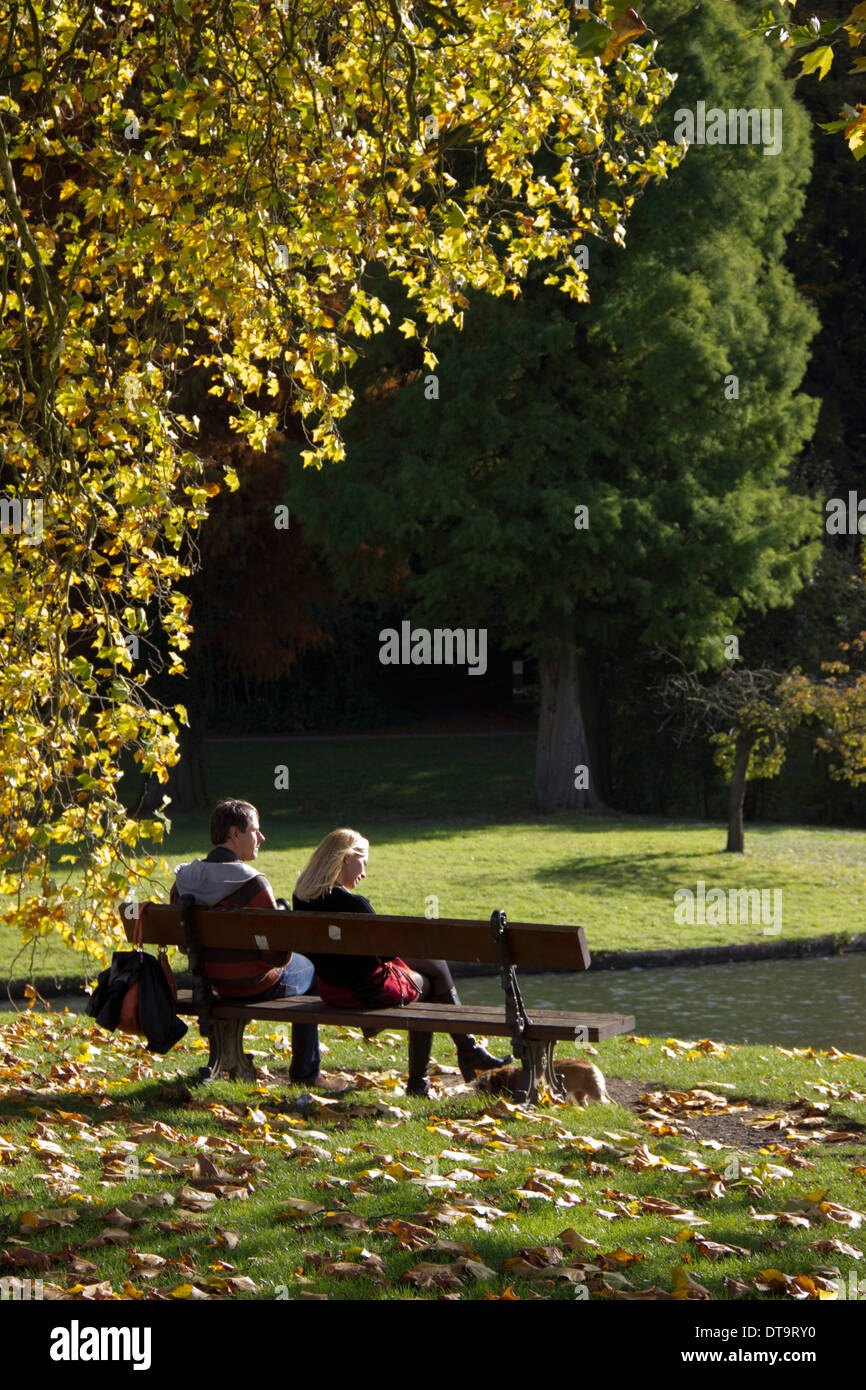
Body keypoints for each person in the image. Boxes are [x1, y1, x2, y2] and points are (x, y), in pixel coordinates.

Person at [293, 827, 509, 1097]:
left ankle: (465, 1053)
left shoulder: (302, 898)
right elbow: (384, 956)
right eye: (364, 863)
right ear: (346, 858)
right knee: (431, 982)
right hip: (365, 993)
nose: (364, 873)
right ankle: (429, 1076)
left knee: (433, 966)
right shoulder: (356, 905)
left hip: (331, 989)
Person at [171, 799, 348, 1091]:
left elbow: (183, 946)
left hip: (211, 981)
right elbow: (276, 956)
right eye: (255, 830)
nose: (262, 838)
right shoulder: (252, 883)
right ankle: (307, 1073)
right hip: (254, 984)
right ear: (234, 834)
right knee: (313, 970)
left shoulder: (184, 881)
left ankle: (234, 1059)